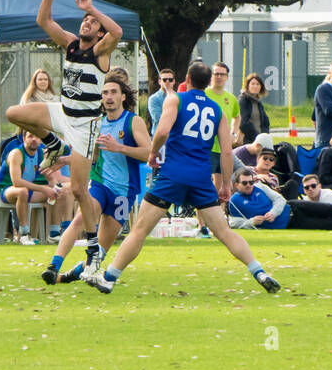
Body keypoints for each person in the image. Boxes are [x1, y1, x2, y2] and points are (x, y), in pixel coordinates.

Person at [84, 61, 280, 296]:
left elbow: (163, 130)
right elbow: (227, 151)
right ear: (208, 83)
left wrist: (153, 152)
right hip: (201, 177)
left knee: (140, 230)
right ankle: (259, 271)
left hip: (173, 175)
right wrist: (227, 184)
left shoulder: (176, 99)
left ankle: (109, 277)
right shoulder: (217, 110)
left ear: (186, 79)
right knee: (224, 232)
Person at [6, 0, 122, 246]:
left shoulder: (100, 52)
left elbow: (117, 31)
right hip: (62, 112)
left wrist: (92, 6)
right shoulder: (70, 44)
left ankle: (92, 242)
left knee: (80, 189)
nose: (87, 23)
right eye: (85, 20)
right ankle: (53, 144)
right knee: (14, 113)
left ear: (98, 33)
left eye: (93, 23)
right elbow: (43, 20)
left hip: (85, 125)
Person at [41, 76, 150, 284]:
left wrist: (120, 148)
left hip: (124, 192)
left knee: (101, 248)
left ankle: (68, 277)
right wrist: (62, 159)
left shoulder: (132, 121)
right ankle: (53, 265)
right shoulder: (96, 123)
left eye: (113, 92)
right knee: (81, 219)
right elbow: (91, 156)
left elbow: (148, 153)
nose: (109, 97)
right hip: (100, 183)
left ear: (123, 96)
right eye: (105, 93)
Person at [229, 168, 332, 230]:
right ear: (236, 185)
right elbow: (232, 222)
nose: (249, 185)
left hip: (293, 207)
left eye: (251, 182)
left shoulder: (260, 187)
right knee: (328, 223)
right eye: (245, 183)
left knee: (329, 209)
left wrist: (274, 212)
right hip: (290, 222)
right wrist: (250, 222)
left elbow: (279, 200)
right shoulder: (234, 202)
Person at [0, 131, 67, 243]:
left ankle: (54, 233)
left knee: (59, 191)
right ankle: (23, 234)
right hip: (7, 189)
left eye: (37, 136)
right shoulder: (16, 153)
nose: (34, 139)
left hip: (28, 190)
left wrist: (52, 183)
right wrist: (43, 189)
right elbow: (16, 182)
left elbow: (52, 180)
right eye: (30, 136)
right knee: (22, 191)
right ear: (24, 138)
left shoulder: (42, 153)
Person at [206, 62, 241, 190]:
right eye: (216, 74)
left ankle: (218, 209)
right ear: (211, 76)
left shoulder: (230, 98)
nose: (219, 77)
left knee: (220, 185)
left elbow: (237, 116)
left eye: (222, 74)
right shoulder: (205, 94)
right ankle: (202, 208)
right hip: (206, 147)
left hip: (223, 149)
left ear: (227, 77)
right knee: (204, 182)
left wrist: (234, 133)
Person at [238, 73, 271, 142]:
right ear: (248, 86)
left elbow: (265, 122)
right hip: (247, 142)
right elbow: (243, 123)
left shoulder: (258, 103)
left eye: (258, 84)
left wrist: (264, 136)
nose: (255, 86)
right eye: (252, 84)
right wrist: (256, 137)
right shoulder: (243, 100)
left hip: (259, 141)